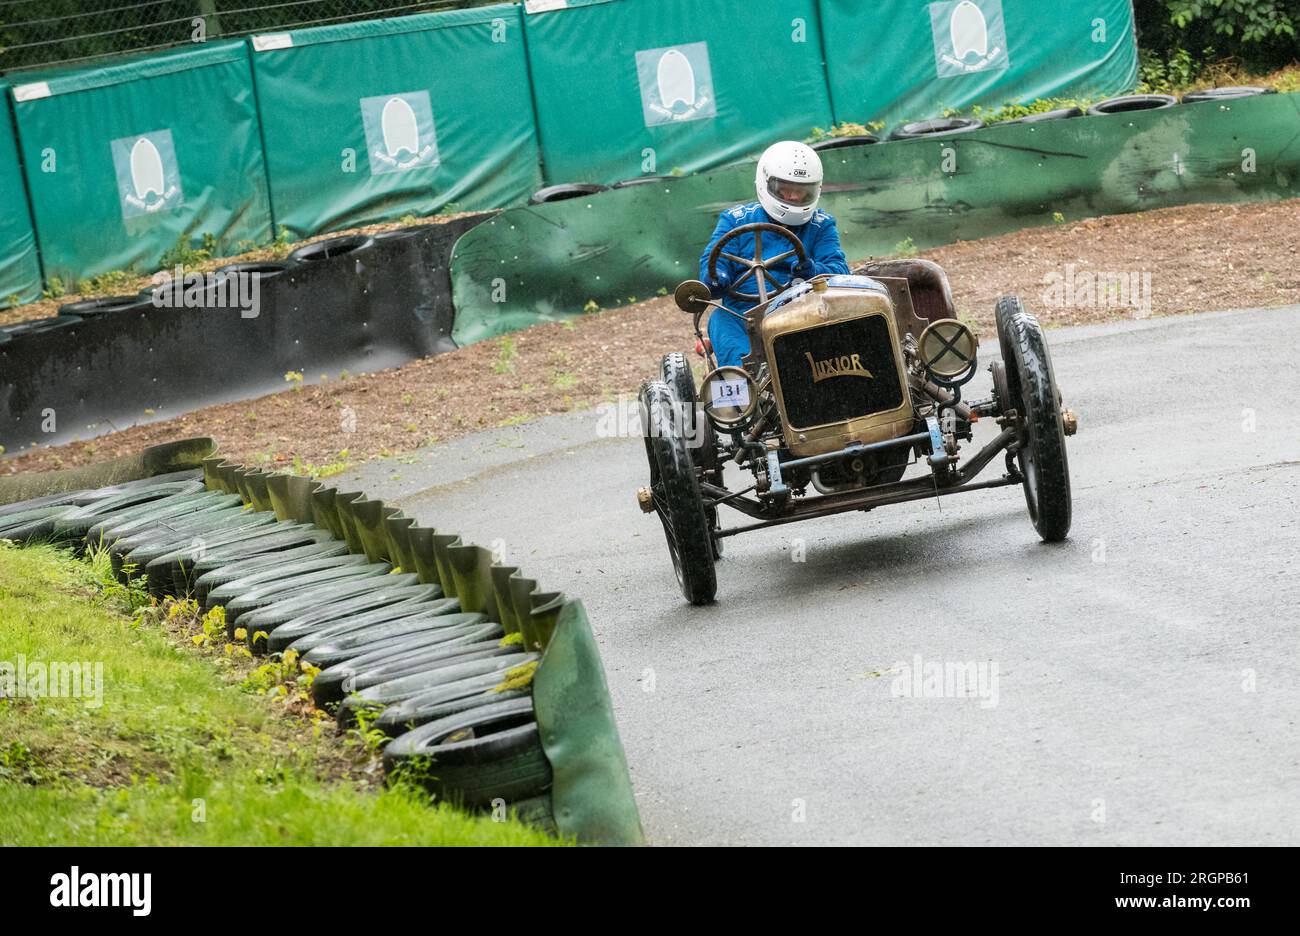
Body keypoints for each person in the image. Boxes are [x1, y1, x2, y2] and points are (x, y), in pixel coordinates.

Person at [699, 141, 850, 367]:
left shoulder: (821, 225)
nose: (791, 197)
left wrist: (815, 271)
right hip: (743, 317)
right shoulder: (736, 220)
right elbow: (713, 261)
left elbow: (840, 270)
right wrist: (716, 276)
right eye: (784, 189)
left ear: (814, 190)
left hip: (802, 312)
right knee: (720, 320)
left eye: (800, 191)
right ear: (766, 182)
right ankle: (747, 384)